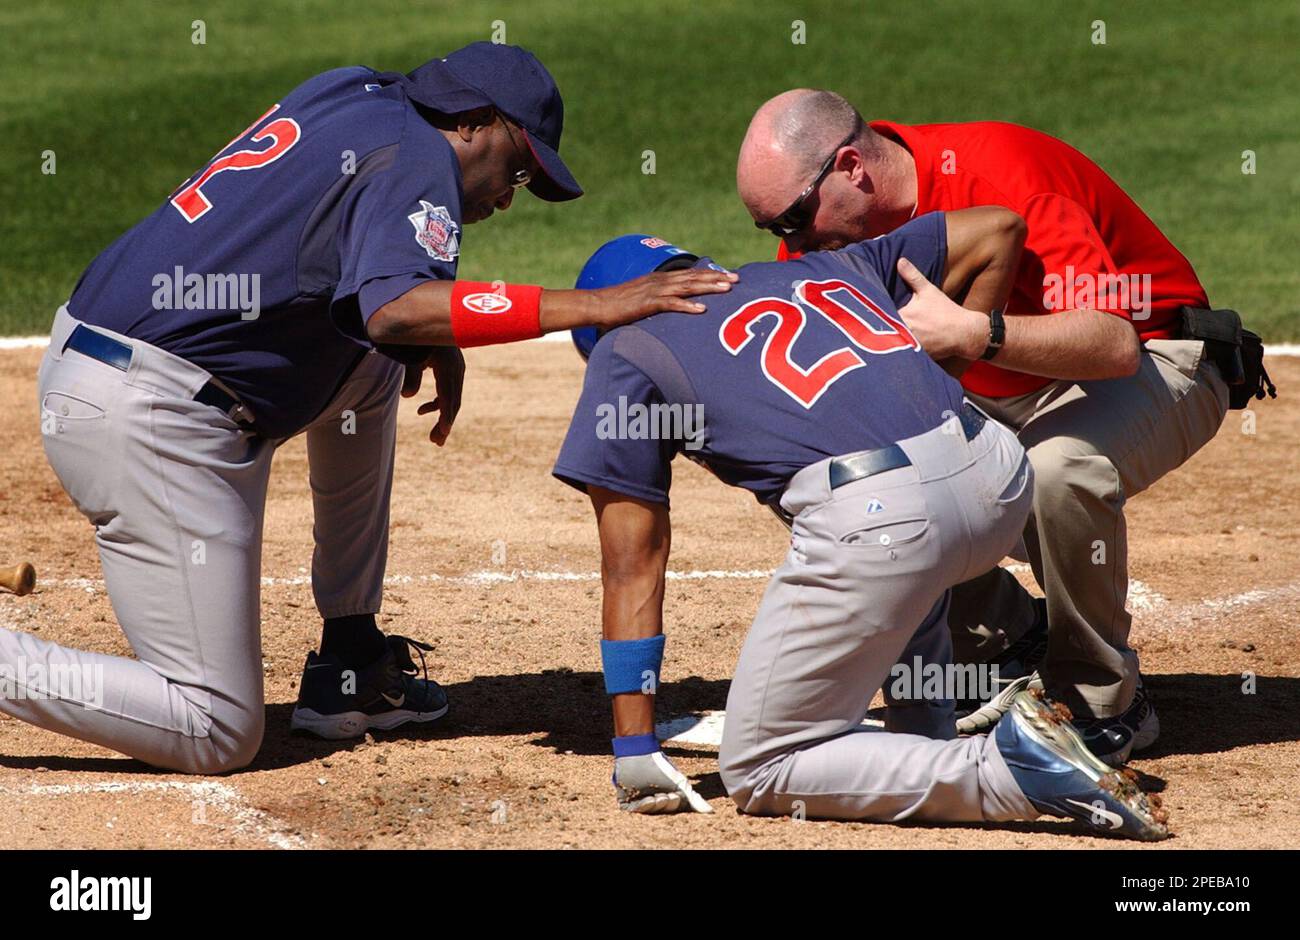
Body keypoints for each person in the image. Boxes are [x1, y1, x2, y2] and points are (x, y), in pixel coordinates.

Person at [6, 42, 735, 774]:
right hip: (152, 415)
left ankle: (350, 658)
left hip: (120, 356)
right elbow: (391, 307)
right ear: (476, 122)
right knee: (214, 726)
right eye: (517, 168)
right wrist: (593, 305)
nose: (510, 196)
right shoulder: (419, 160)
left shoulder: (355, 91)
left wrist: (434, 332)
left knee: (379, 363)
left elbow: (360, 283)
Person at [551, 210, 1167, 839]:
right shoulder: (824, 264)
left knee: (762, 766)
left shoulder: (624, 349)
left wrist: (633, 749)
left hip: (890, 520)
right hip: (996, 472)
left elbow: (633, 566)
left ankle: (1010, 767)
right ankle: (922, 735)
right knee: (907, 555)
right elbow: (1000, 227)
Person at [736, 89, 1232, 763]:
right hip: (1005, 389)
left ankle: (1101, 700)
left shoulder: (1005, 170)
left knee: (1058, 469)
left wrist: (975, 332)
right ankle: (1004, 642)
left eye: (796, 217)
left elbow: (1114, 343)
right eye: (775, 230)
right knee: (835, 454)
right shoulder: (825, 240)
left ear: (851, 166)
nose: (793, 244)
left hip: (1156, 357)